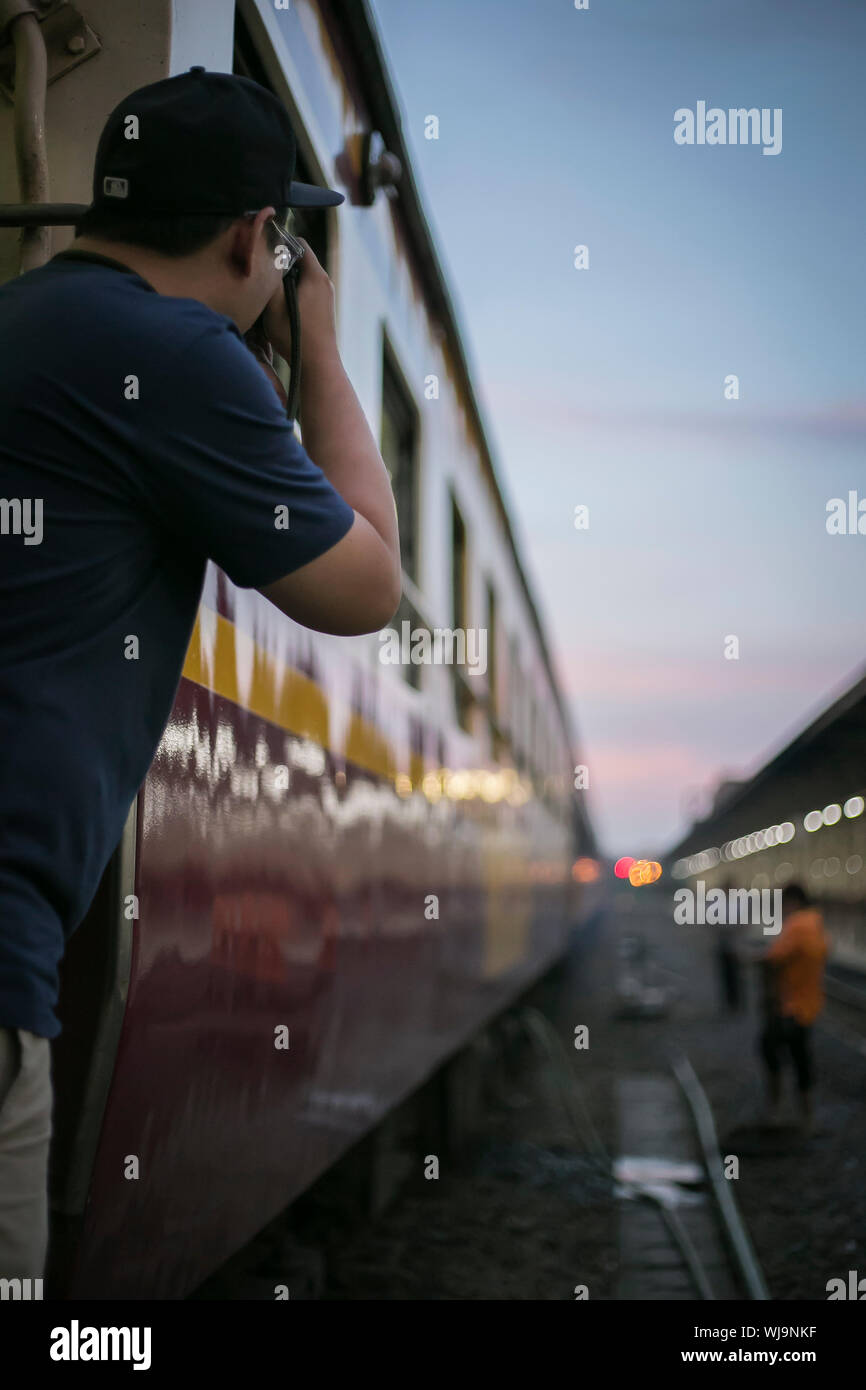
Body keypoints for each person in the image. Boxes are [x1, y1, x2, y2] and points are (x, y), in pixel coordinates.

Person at [0, 68, 402, 1281]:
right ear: (252, 234)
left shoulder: (24, 322)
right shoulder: (174, 354)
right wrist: (318, 353)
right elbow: (365, 586)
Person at [757, 883, 828, 1133]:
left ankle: (776, 1112)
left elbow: (772, 958)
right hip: (809, 1004)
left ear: (793, 901)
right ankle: (807, 1118)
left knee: (771, 1050)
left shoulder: (798, 924)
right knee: (802, 1058)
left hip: (789, 1006)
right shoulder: (816, 923)